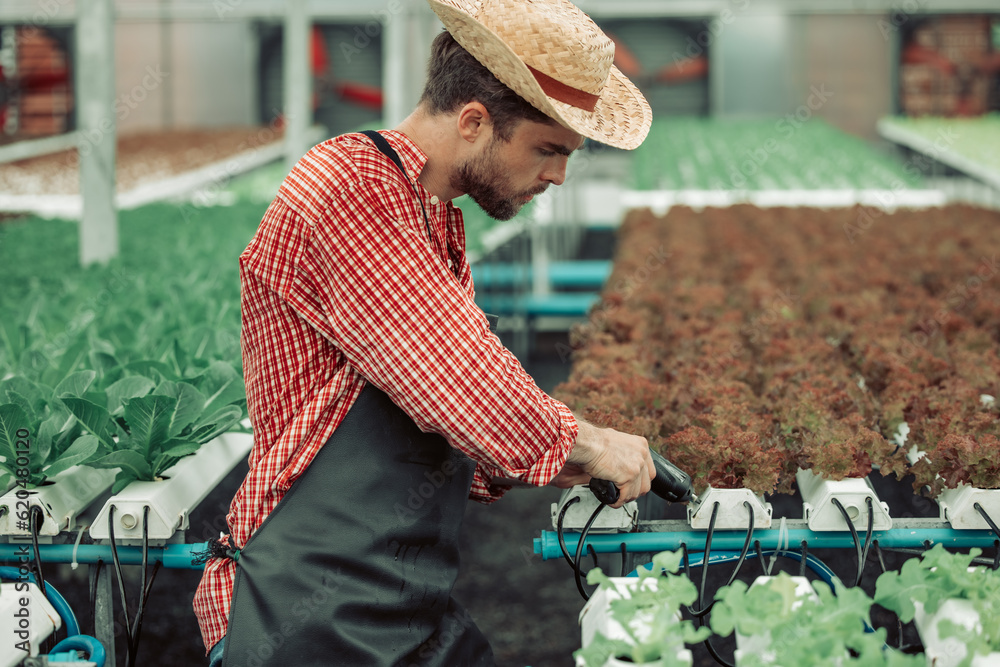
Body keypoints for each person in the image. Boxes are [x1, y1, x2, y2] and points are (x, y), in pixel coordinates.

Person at [194, 0, 655, 664]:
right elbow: (455, 379)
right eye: (548, 149)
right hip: (300, 613)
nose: (557, 175)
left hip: (390, 600)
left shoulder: (427, 215)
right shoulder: (350, 185)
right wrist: (588, 443)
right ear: (474, 121)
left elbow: (426, 413)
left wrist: (551, 462)